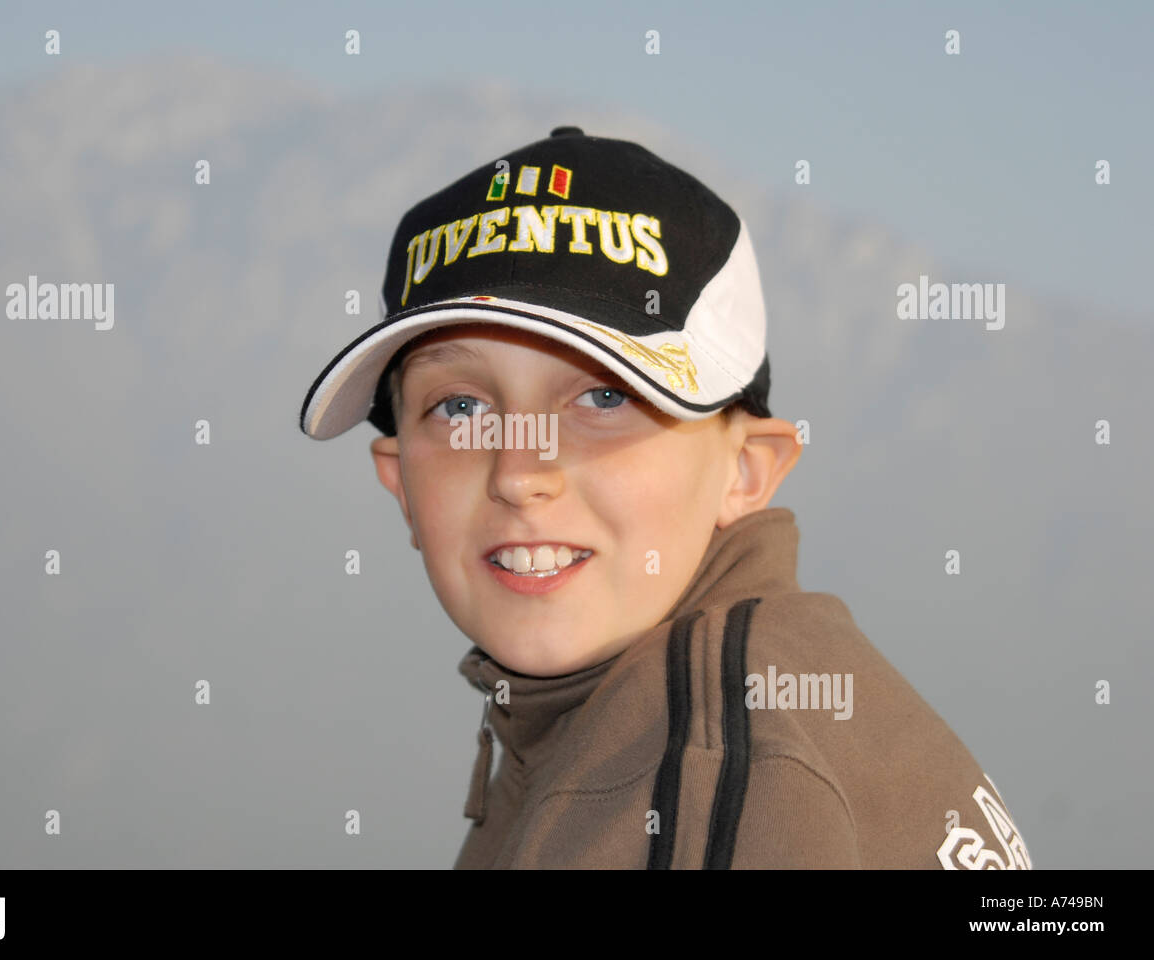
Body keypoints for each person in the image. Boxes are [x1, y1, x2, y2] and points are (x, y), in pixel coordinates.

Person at [299, 126, 1032, 869]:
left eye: (604, 396)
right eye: (460, 409)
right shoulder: (747, 698)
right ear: (401, 482)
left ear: (745, 469)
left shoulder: (694, 778)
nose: (519, 472)